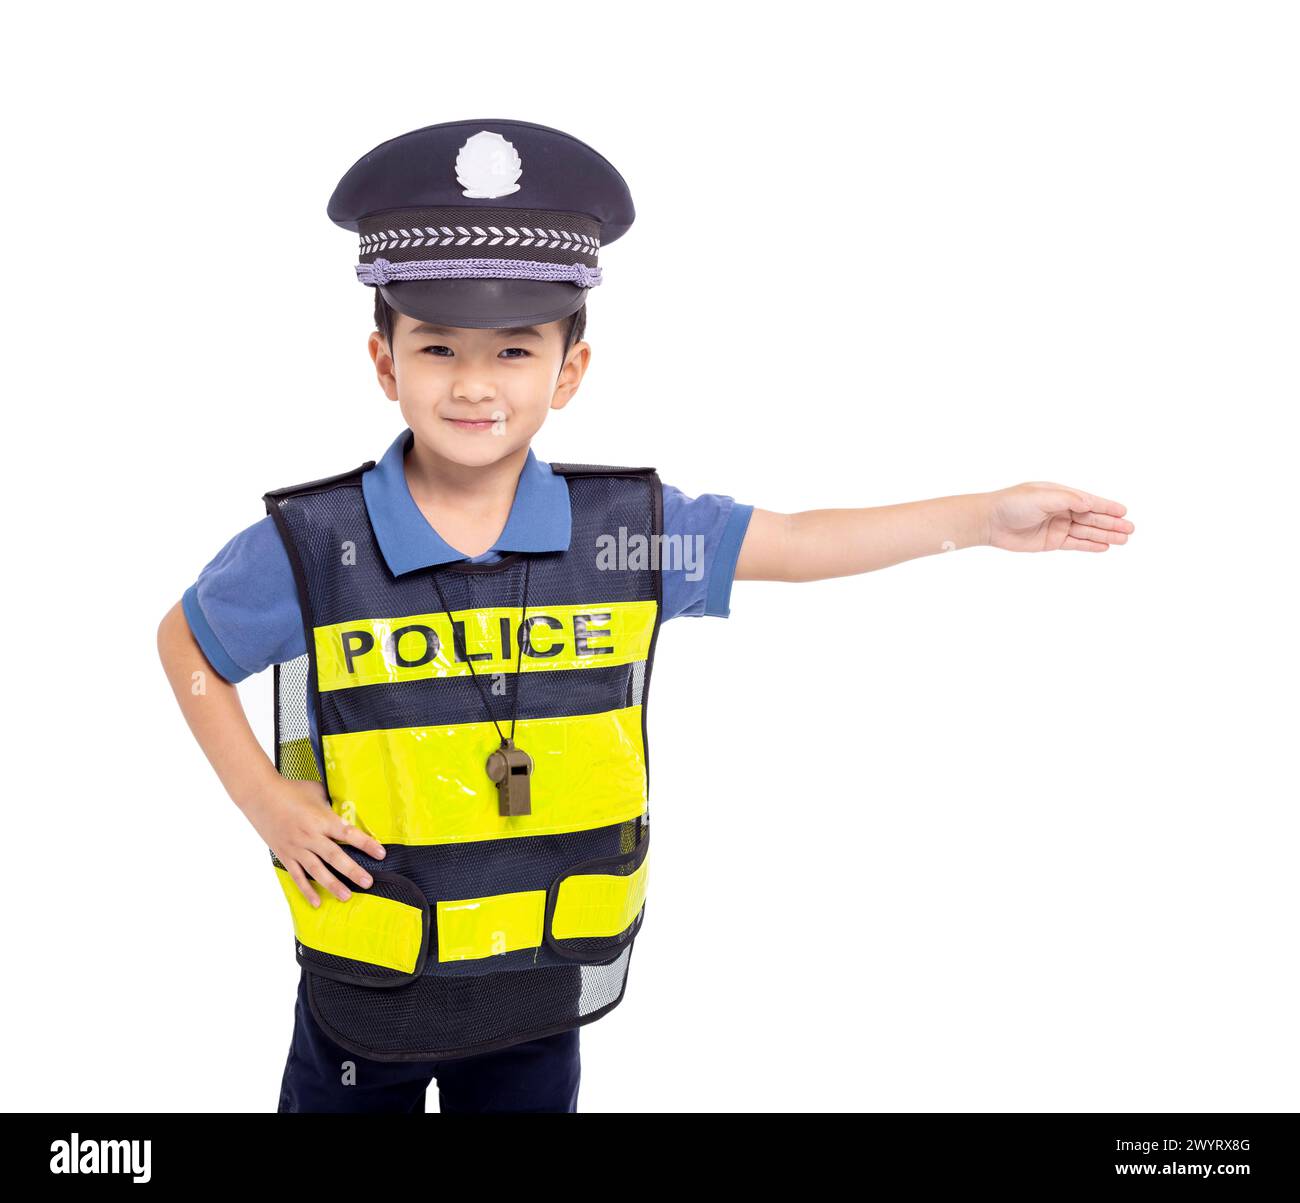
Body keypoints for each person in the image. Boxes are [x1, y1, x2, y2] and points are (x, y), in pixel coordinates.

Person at [156, 118, 1135, 1114]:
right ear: (384, 361)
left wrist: (978, 520)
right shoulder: (319, 546)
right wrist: (263, 800)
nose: (473, 382)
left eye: (513, 349)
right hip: (369, 988)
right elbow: (186, 643)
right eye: (437, 345)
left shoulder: (621, 537)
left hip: (539, 983)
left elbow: (794, 543)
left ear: (567, 372)